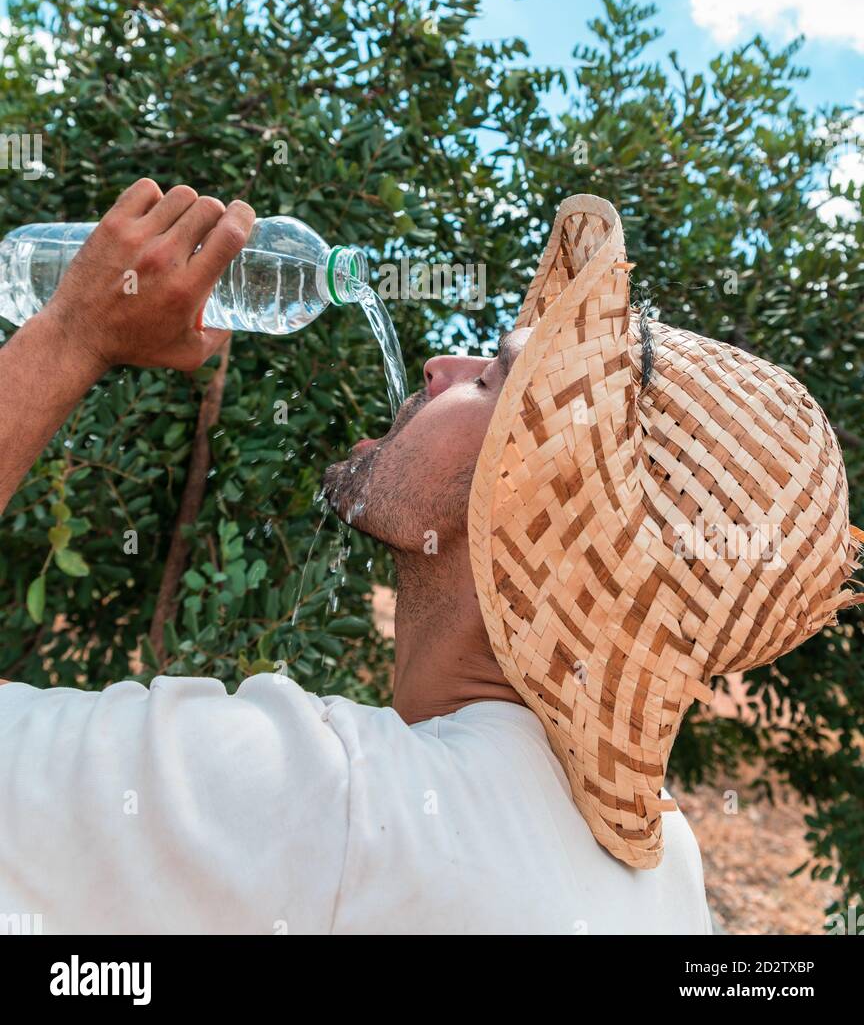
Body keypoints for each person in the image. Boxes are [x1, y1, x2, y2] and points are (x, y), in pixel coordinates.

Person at [0, 181, 858, 934]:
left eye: (491, 381)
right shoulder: (664, 866)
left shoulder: (325, 810)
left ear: (537, 502)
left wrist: (73, 334)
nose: (443, 364)